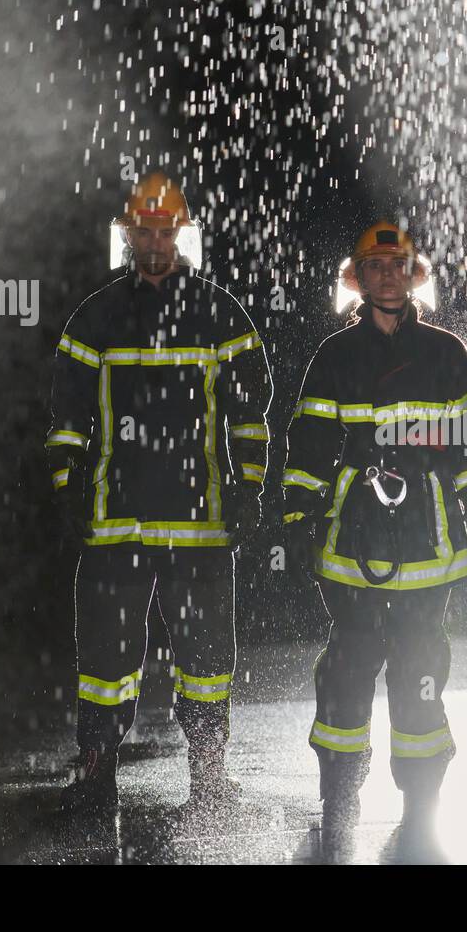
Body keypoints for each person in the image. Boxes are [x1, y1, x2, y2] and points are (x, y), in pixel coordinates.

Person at [45, 171, 273, 816]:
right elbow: (67, 414)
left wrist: (249, 487)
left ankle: (209, 772)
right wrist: (65, 488)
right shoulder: (95, 316)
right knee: (104, 659)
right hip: (114, 519)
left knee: (206, 658)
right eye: (143, 230)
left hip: (198, 519)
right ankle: (96, 770)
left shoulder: (218, 312)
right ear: (129, 234)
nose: (153, 241)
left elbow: (250, 413)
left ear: (180, 234)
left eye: (163, 230)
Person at [282, 221, 467, 860]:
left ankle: (422, 810)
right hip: (353, 539)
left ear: (413, 274)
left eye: (397, 264)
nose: (386, 275)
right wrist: (297, 520)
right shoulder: (334, 357)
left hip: (429, 538)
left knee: (421, 670)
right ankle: (339, 801)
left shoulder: (446, 355)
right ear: (358, 277)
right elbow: (310, 447)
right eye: (374, 266)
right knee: (348, 668)